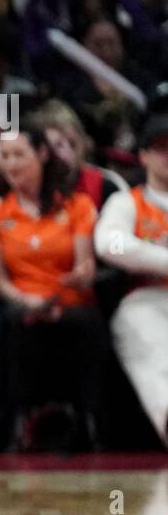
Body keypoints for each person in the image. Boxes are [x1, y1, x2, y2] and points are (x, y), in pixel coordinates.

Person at [0, 123, 105, 452]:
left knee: (86, 322)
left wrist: (80, 275)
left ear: (41, 154)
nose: (11, 164)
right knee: (14, 323)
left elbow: (86, 265)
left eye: (19, 154)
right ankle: (20, 423)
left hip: (70, 299)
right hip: (22, 301)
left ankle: (89, 422)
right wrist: (26, 300)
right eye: (5, 156)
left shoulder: (77, 206)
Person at [94, 115, 168, 447]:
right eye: (160, 149)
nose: (167, 156)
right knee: (147, 340)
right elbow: (111, 244)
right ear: (144, 156)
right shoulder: (127, 202)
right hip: (147, 297)